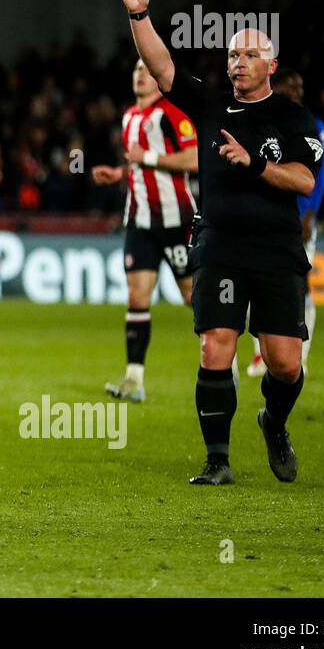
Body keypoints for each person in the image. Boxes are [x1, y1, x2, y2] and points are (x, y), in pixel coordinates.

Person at [122, 0, 324, 486]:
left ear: (271, 65)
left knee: (283, 362)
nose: (237, 62)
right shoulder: (212, 104)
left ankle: (273, 422)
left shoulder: (295, 119)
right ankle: (217, 460)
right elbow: (163, 66)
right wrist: (139, 14)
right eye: (232, 55)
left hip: (277, 248)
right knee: (216, 344)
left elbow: (303, 181)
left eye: (249, 55)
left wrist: (254, 163)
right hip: (219, 244)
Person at [90, 59, 198, 402]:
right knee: (137, 296)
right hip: (139, 220)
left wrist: (146, 158)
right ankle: (134, 380)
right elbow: (139, 165)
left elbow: (194, 159)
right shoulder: (128, 116)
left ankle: (226, 365)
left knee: (193, 297)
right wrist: (119, 173)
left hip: (176, 220)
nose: (139, 74)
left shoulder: (172, 114)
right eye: (135, 69)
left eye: (146, 70)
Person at [248, 67, 324, 376]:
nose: (297, 93)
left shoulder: (313, 124)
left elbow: (320, 174)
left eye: (300, 88)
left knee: (300, 285)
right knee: (255, 283)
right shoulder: (262, 121)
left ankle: (301, 354)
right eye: (291, 87)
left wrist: (311, 212)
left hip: (299, 220)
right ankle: (261, 354)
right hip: (265, 219)